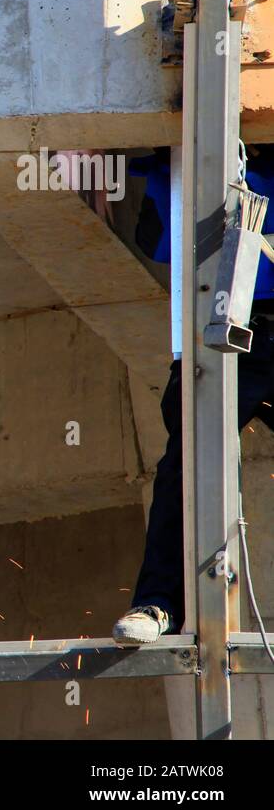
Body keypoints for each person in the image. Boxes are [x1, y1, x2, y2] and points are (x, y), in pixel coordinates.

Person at [114, 147, 274, 646]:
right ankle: (158, 602)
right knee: (187, 460)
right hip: (223, 325)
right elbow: (157, 239)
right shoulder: (188, 147)